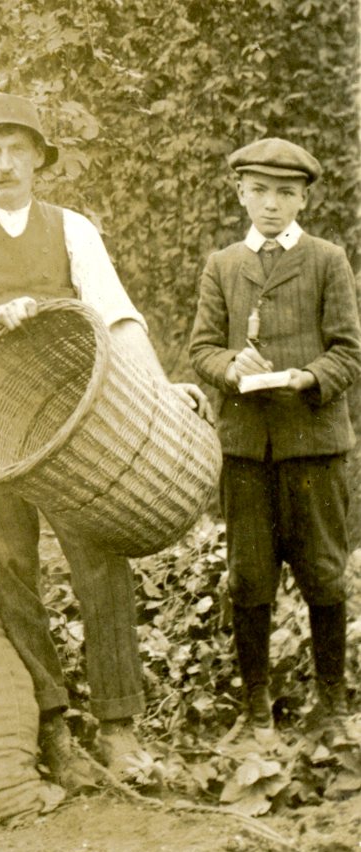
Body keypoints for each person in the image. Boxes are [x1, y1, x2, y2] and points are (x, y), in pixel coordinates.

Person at [0, 93, 209, 787]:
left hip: (72, 422)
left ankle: (119, 727)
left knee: (100, 553)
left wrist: (160, 387)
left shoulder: (72, 228)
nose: (5, 162)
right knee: (10, 567)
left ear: (40, 160)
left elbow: (116, 317)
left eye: (19, 148)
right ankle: (52, 728)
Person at [187, 138, 361, 727]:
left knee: (324, 572)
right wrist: (230, 366)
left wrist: (309, 377)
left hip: (313, 448)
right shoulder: (224, 265)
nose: (271, 205)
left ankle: (332, 703)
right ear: (240, 193)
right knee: (250, 576)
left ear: (303, 199)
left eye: (285, 193)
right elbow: (202, 349)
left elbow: (350, 352)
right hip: (245, 452)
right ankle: (256, 705)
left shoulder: (327, 260)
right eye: (259, 191)